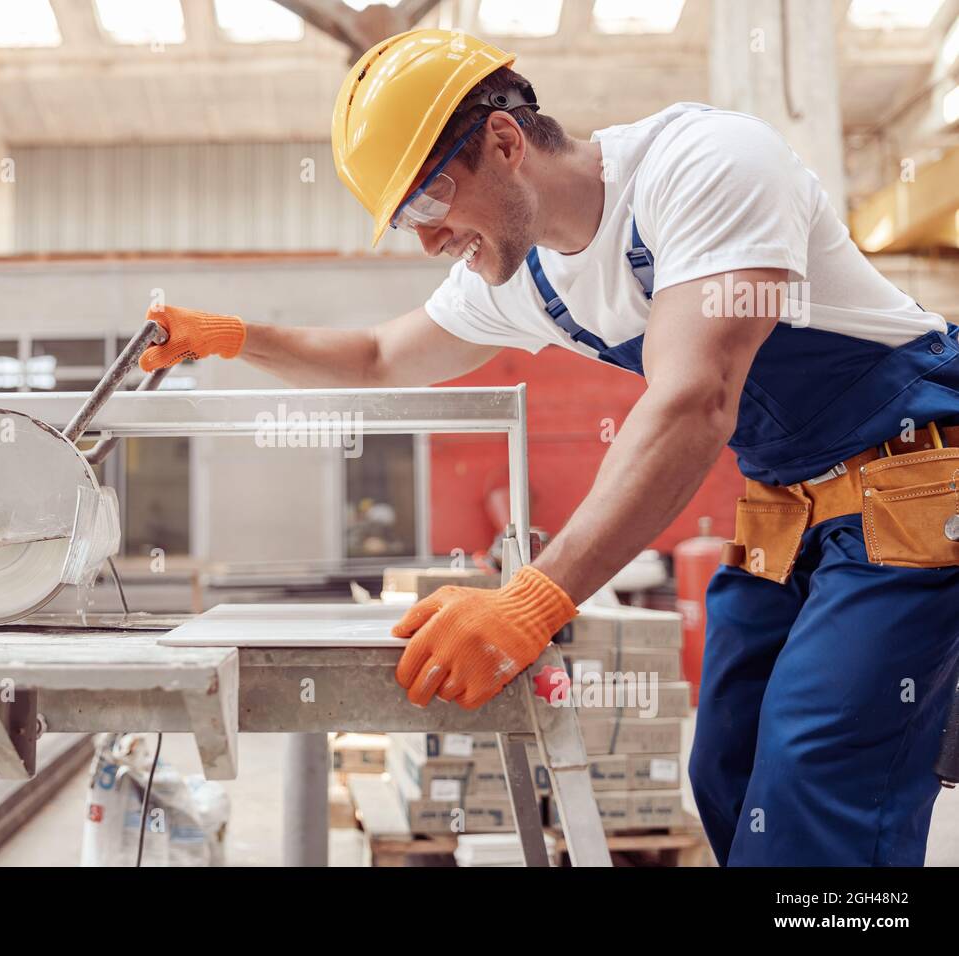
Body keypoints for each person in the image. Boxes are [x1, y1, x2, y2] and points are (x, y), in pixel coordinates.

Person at [137, 30, 959, 866]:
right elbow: (380, 357)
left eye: (427, 203)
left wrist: (532, 603)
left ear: (504, 141)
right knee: (728, 770)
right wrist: (235, 337)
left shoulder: (707, 164)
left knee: (817, 789)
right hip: (790, 508)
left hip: (910, 481)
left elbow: (695, 400)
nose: (425, 240)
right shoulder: (528, 278)